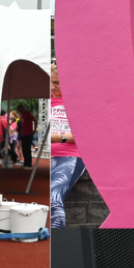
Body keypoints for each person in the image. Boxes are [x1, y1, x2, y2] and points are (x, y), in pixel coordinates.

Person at [50, 62, 84, 229]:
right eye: (49, 82)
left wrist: (59, 138)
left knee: (53, 199)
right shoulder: (46, 101)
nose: (52, 86)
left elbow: (83, 135)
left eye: (56, 83)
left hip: (70, 156)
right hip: (48, 158)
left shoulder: (76, 102)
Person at [18, 102, 36, 169]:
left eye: (20, 110)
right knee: (24, 149)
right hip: (24, 134)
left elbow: (35, 120)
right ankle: (26, 163)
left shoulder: (28, 114)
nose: (19, 111)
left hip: (28, 134)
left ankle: (29, 164)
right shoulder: (22, 115)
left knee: (27, 149)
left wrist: (34, 131)